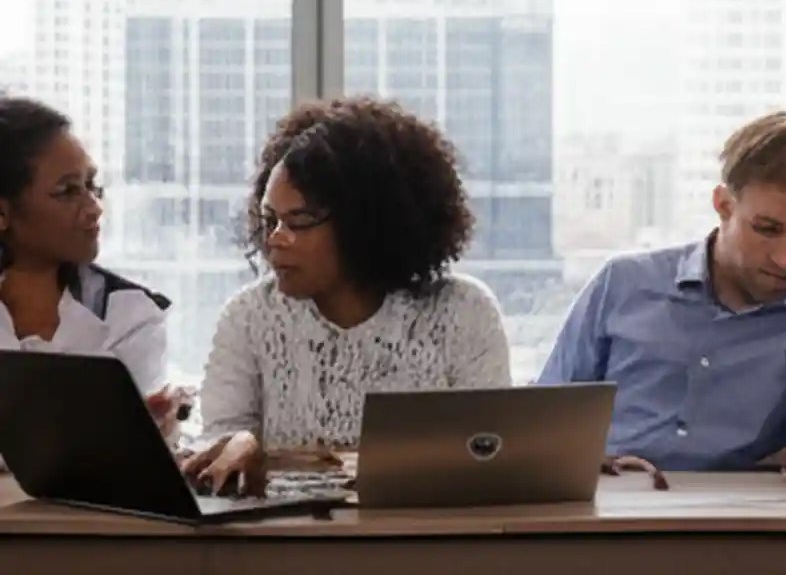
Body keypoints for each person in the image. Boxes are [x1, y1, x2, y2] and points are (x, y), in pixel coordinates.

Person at [181, 97, 511, 494]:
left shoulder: (464, 312)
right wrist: (240, 446)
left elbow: (492, 457)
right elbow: (221, 447)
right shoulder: (249, 317)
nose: (275, 239)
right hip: (287, 545)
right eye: (270, 220)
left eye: (299, 222)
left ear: (366, 224)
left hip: (425, 541)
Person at [539, 111, 786, 473]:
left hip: (742, 524)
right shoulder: (623, 285)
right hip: (607, 517)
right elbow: (541, 424)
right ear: (723, 205)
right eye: (767, 229)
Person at [0, 98, 178, 454]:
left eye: (92, 185)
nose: (94, 207)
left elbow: (117, 453)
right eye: (67, 191)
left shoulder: (129, 315)